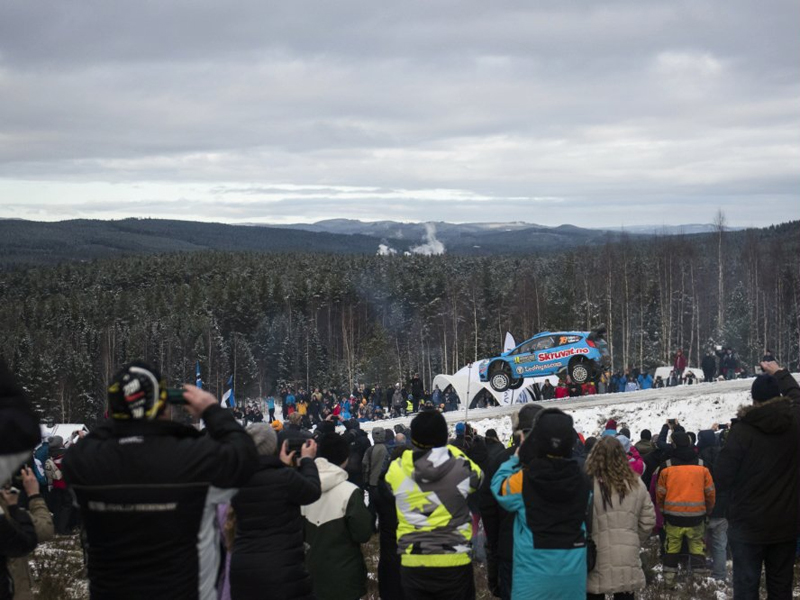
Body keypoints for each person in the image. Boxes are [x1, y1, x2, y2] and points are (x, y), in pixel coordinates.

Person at [62, 361, 259, 600]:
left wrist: (124, 414)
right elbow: (245, 455)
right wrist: (211, 410)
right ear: (164, 406)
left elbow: (94, 439)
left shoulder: (84, 462)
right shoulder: (192, 458)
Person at [714, 362, 799, 599]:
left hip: (747, 528)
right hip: (785, 523)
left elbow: (721, 477)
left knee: (746, 588)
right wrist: (780, 372)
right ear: (778, 397)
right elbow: (797, 395)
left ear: (753, 400)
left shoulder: (742, 433)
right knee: (781, 588)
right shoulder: (794, 423)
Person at [491, 408, 591, 599]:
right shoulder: (583, 481)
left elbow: (499, 488)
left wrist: (517, 458)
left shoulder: (523, 481)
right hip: (572, 580)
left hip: (533, 581)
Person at [385, 410, 482, 600]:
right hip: (454, 559)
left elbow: (389, 485)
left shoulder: (396, 469)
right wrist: (450, 449)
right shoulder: (459, 466)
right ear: (445, 437)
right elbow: (478, 478)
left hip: (413, 561)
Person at [230, 424, 320, 600]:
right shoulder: (284, 478)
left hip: (242, 565)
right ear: (274, 447)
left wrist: (281, 467)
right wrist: (307, 461)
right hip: (282, 566)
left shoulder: (236, 478)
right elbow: (312, 491)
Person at [478, 403, 544, 600]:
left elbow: (488, 509)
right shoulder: (560, 461)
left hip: (511, 550)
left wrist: (495, 549)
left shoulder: (501, 462)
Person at [303, 432, 373, 600]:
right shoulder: (349, 492)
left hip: (309, 575)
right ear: (345, 458)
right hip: (345, 577)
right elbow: (363, 533)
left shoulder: (301, 488)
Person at [584, 436, 656, 600]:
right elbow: (648, 520)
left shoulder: (587, 483)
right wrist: (632, 538)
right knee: (625, 592)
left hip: (594, 556)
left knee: (594, 593)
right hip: (627, 554)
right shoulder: (636, 483)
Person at [655, 430, 715, 587]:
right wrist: (708, 511)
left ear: (673, 445)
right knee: (697, 548)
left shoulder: (666, 467)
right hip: (697, 518)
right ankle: (699, 583)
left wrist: (663, 511)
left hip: (673, 519)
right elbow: (710, 493)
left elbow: (660, 494)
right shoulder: (702, 466)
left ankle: (669, 583)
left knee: (672, 549)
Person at [362, 427, 389, 529]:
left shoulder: (370, 450)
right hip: (387, 482)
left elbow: (365, 466)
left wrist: (365, 481)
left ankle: (371, 527)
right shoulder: (388, 447)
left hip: (373, 483)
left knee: (372, 506)